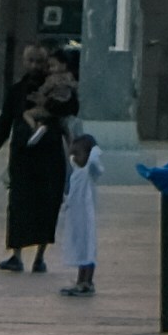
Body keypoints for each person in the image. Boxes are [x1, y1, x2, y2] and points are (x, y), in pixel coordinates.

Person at [1, 57, 72, 275]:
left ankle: (28, 257)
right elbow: (5, 121)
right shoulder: (22, 90)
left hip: (40, 154)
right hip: (32, 155)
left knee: (40, 206)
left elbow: (68, 111)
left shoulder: (56, 89)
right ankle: (25, 256)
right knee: (31, 205)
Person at [58, 122, 103, 303]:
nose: (74, 157)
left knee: (88, 250)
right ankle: (80, 280)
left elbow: (95, 161)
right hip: (76, 219)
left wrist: (93, 151)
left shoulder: (90, 171)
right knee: (79, 250)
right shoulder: (77, 172)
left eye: (78, 154)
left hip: (86, 219)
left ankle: (88, 281)